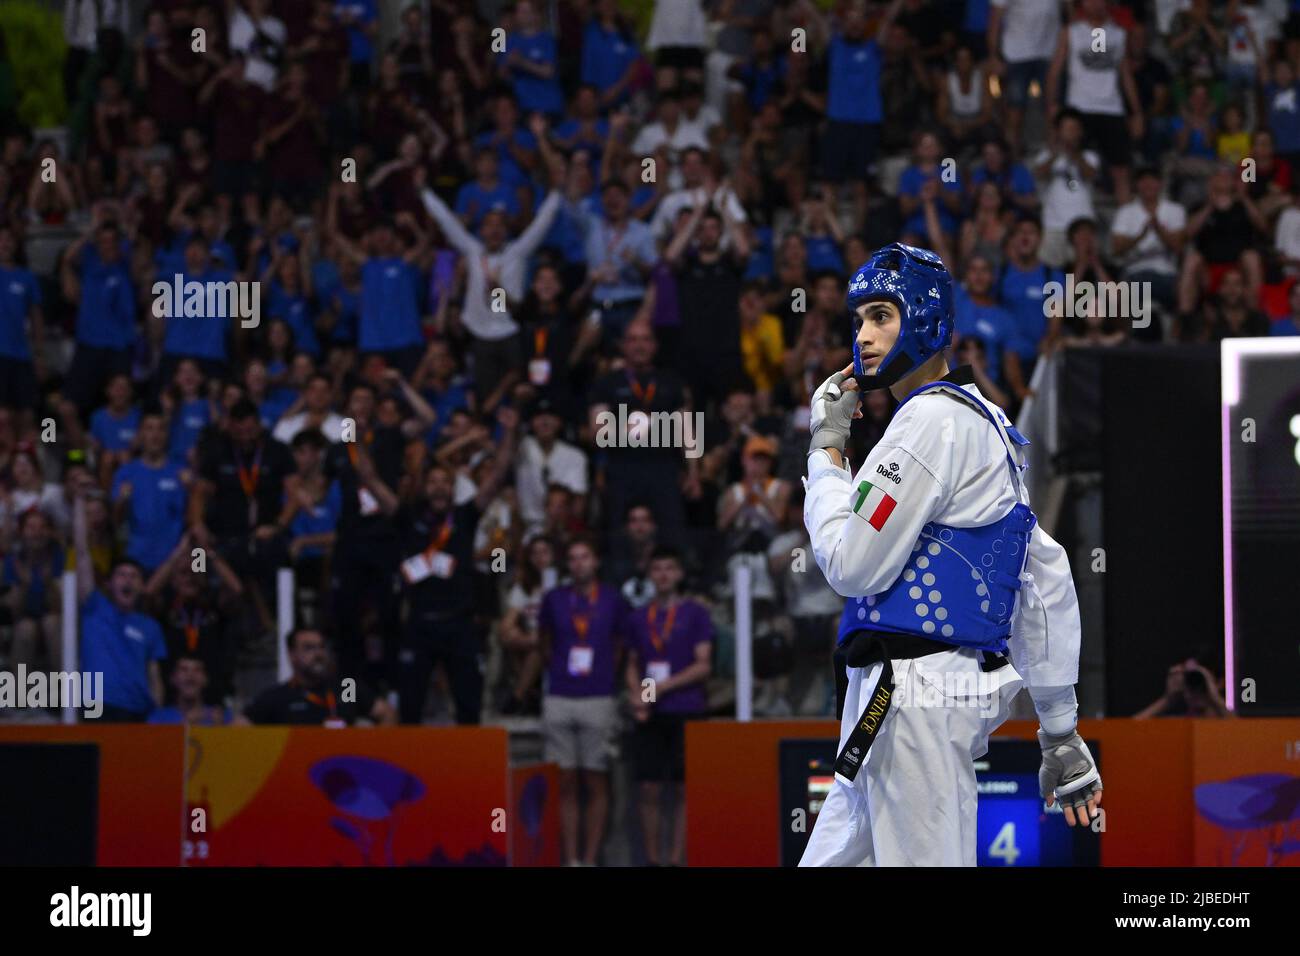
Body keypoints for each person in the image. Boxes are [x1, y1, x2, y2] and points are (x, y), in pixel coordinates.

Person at [798, 243, 1098, 866]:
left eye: (882, 315)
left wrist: (827, 456)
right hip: (904, 699)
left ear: (928, 320)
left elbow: (851, 564)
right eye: (857, 321)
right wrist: (1059, 725)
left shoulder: (930, 423)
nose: (864, 336)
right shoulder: (987, 422)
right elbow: (1043, 578)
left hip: (915, 698)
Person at [538, 535, 632, 866]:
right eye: (573, 558)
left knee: (595, 778)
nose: (579, 563)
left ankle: (590, 859)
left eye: (585, 557)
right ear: (568, 565)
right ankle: (572, 859)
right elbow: (545, 642)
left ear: (596, 562)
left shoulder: (612, 599)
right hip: (560, 695)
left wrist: (607, 674)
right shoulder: (554, 599)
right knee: (565, 781)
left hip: (599, 696)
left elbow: (622, 643)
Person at [625, 547, 713, 867]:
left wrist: (659, 689)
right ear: (650, 575)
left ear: (678, 574)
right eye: (657, 569)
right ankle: (652, 860)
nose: (663, 574)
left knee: (681, 788)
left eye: (669, 568)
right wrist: (639, 697)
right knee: (648, 787)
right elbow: (632, 663)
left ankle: (675, 860)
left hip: (685, 708)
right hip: (649, 713)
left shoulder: (695, 613)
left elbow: (703, 665)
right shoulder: (638, 617)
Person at [74, 492, 166, 722]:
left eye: (134, 576)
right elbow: (82, 551)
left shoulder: (150, 627)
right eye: (121, 575)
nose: (127, 580)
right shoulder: (94, 607)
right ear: (110, 583)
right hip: (97, 707)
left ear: (142, 586)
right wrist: (78, 502)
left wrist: (158, 711)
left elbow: (154, 676)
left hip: (137, 712)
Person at [240, 627, 396, 725]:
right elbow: (239, 726)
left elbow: (387, 713)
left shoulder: (346, 688)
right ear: (292, 655)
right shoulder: (279, 697)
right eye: (309, 648)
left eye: (321, 647)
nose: (319, 654)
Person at [146, 656, 235, 725]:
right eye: (184, 669)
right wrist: (186, 724)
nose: (190, 675)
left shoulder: (222, 716)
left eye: (197, 670)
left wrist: (221, 729)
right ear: (173, 678)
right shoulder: (158, 719)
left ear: (205, 679)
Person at [1134, 659, 1231, 719]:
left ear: (1219, 682)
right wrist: (1167, 700)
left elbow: (1242, 736)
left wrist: (1214, 697)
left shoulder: (1227, 723)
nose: (1195, 688)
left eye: (1198, 680)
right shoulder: (1179, 725)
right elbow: (1126, 733)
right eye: (1189, 680)